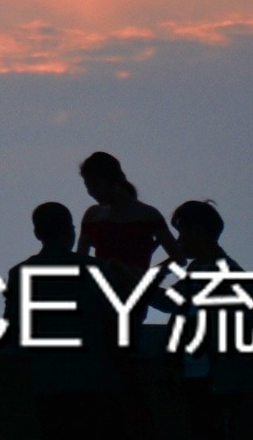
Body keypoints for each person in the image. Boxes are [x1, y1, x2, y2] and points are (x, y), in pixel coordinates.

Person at [75, 154, 170, 439]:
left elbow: (177, 258)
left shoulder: (147, 215)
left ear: (110, 181)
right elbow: (80, 260)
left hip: (130, 297)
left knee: (119, 363)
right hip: (102, 294)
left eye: (93, 184)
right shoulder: (94, 215)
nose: (91, 191)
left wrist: (141, 277)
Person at [9, 200, 121, 438]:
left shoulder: (20, 273)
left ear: (37, 233)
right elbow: (115, 321)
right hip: (95, 380)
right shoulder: (96, 269)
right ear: (70, 230)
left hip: (48, 383)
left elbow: (14, 328)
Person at [164, 199, 253, 439]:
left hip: (218, 380)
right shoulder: (200, 269)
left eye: (181, 233)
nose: (178, 241)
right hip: (201, 376)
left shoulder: (225, 274)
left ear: (197, 232)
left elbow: (169, 301)